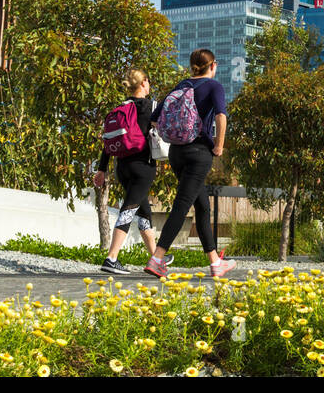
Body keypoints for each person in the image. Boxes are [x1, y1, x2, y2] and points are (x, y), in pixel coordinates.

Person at [144, 48, 235, 279]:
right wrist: (219, 145)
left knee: (202, 206)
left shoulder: (181, 85)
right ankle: (157, 258)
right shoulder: (214, 87)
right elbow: (221, 116)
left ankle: (216, 263)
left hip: (176, 153)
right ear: (212, 66)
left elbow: (155, 118)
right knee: (182, 204)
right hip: (198, 152)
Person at [92, 68, 161, 274]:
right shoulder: (151, 107)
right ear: (143, 84)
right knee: (128, 211)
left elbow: (108, 140)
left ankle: (156, 260)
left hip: (122, 167)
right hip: (143, 167)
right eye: (148, 81)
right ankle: (112, 258)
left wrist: (102, 169)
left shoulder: (120, 108)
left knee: (144, 214)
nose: (149, 85)